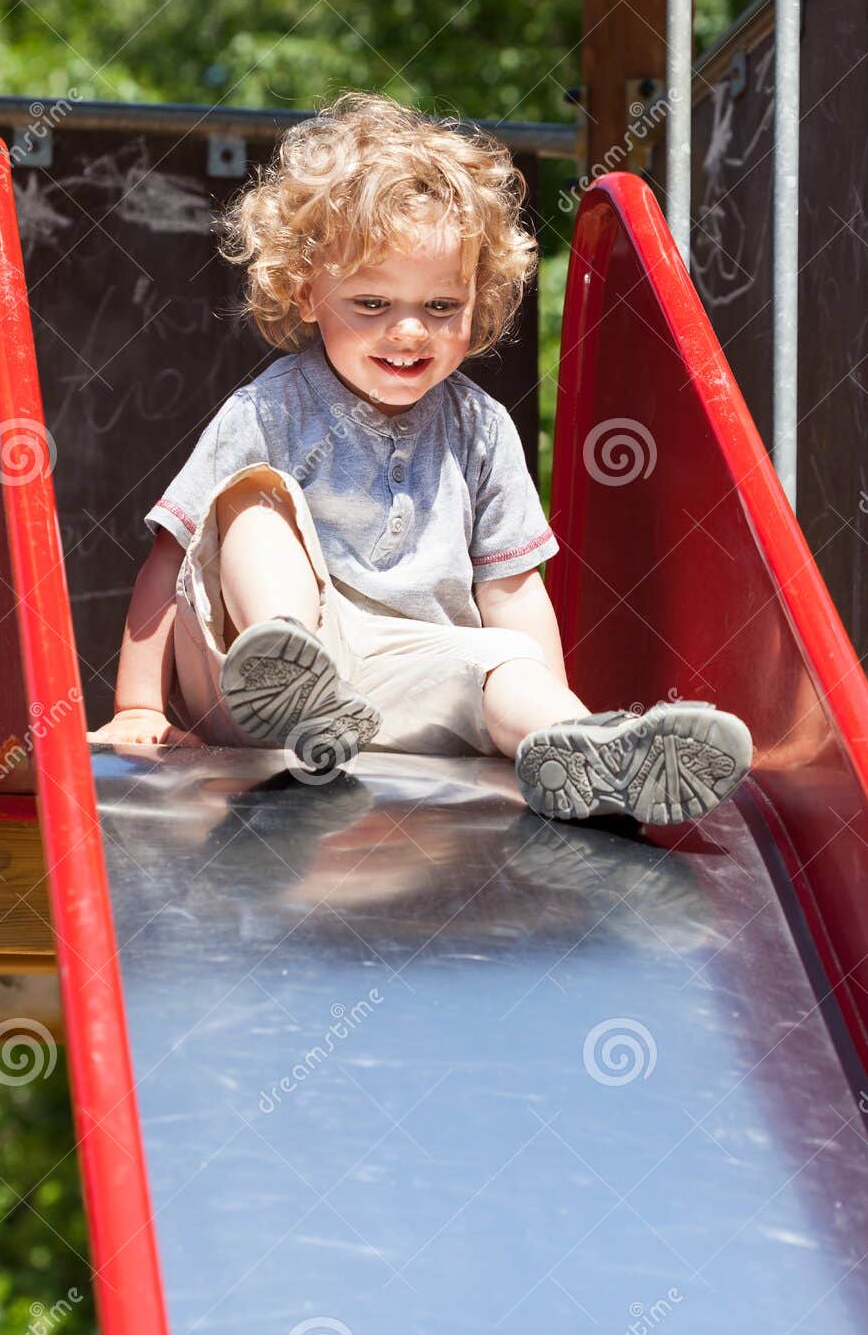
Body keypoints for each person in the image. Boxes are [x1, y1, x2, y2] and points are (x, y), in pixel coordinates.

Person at [89, 91, 752, 824]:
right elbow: (171, 556)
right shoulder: (269, 409)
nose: (409, 331)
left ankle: (586, 753)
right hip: (251, 674)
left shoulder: (480, 428)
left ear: (478, 297)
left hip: (408, 676)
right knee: (253, 500)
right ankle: (291, 669)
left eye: (441, 307)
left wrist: (535, 688)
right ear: (308, 294)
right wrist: (136, 706)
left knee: (497, 661)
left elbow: (511, 593)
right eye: (372, 304)